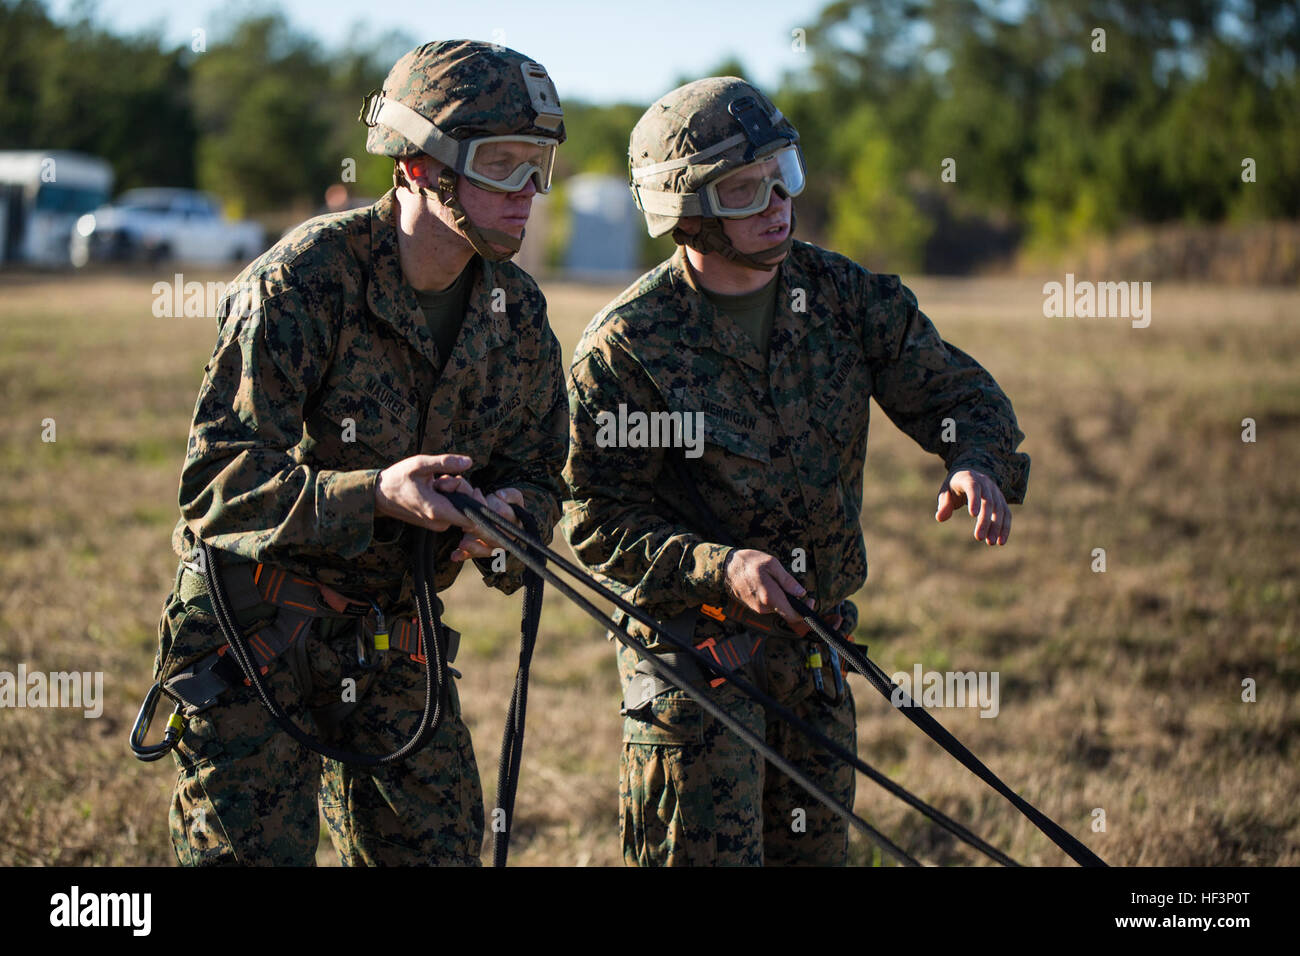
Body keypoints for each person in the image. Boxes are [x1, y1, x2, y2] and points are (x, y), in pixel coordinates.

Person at [562, 77, 1030, 866]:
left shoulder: (844, 297)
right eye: (746, 189)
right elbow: (595, 520)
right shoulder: (626, 347)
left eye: (785, 175)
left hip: (814, 658)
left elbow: (958, 393)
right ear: (686, 209)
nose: (778, 202)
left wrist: (973, 460)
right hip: (696, 675)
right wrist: (720, 566)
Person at [150, 39, 569, 866]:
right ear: (420, 166)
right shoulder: (305, 280)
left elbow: (537, 473)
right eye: (501, 165)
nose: (527, 193)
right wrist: (374, 492)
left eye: (539, 167)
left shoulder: (517, 313)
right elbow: (214, 485)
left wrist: (511, 522)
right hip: (257, 629)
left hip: (393, 636)